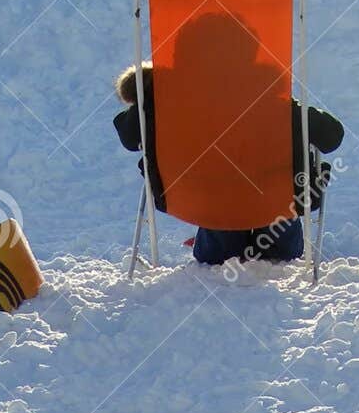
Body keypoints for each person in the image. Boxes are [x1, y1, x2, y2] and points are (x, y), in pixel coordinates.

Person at [113, 17, 344, 268]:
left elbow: (129, 136)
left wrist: (150, 90)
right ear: (249, 55)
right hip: (280, 235)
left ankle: (221, 235)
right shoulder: (273, 102)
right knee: (271, 187)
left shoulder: (166, 105)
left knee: (219, 193)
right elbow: (332, 136)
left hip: (212, 231)